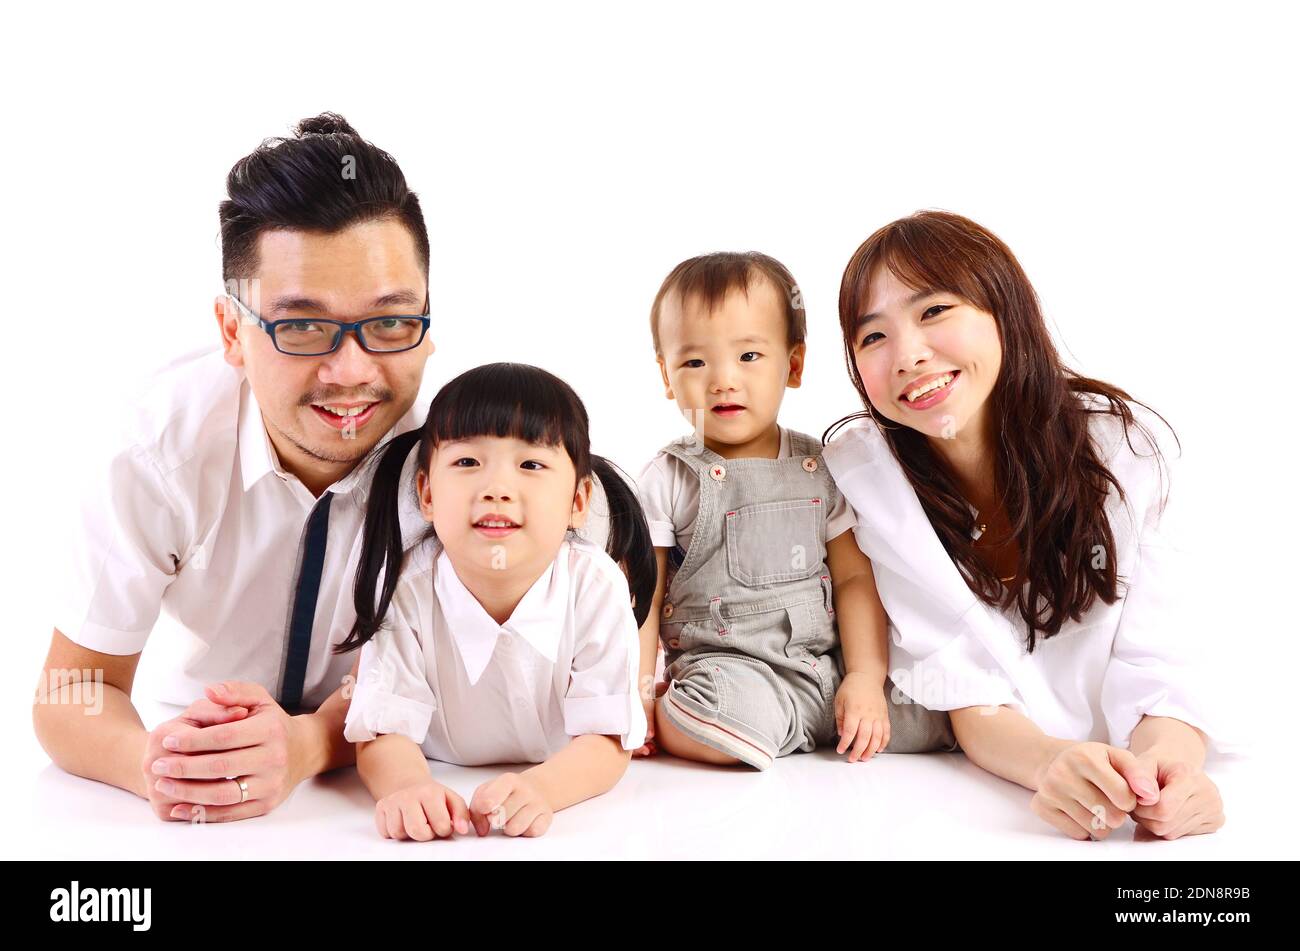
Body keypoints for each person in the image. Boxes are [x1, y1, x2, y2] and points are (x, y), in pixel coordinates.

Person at [34, 112, 439, 822]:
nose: (352, 372)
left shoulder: (460, 459)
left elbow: (451, 673)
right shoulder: (160, 450)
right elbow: (71, 690)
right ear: (232, 333)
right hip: (189, 739)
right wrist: (165, 765)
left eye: (390, 322)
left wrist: (310, 743)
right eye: (303, 326)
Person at [822, 210, 1227, 840]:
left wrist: (1168, 774)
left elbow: (1168, 657)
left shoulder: (1123, 450)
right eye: (873, 337)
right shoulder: (872, 481)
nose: (909, 355)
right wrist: (1050, 764)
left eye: (933, 312)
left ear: (1005, 310)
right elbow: (960, 684)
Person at [635, 251, 956, 770]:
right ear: (667, 376)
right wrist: (639, 693)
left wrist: (865, 678)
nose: (722, 380)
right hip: (729, 668)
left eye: (749, 356)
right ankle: (700, 717)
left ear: (795, 364)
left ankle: (824, 720)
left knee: (946, 708)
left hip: (826, 671)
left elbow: (854, 579)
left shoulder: (823, 467)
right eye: (694, 362)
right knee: (723, 707)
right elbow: (643, 598)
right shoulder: (670, 476)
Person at [338, 363, 655, 839]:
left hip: (555, 765)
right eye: (467, 463)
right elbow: (383, 732)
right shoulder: (407, 586)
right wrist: (407, 788)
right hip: (440, 766)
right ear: (427, 492)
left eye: (531, 465)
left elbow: (607, 741)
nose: (496, 489)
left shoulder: (596, 585)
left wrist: (543, 789)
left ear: (578, 501)